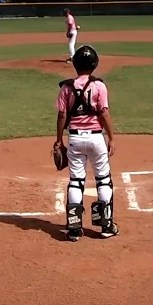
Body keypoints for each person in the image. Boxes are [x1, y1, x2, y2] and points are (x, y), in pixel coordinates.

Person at [53, 45, 118, 241]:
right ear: (95, 64)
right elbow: (104, 113)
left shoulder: (66, 87)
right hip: (96, 138)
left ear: (75, 64)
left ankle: (74, 228)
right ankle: (105, 226)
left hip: (75, 139)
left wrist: (58, 141)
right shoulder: (99, 86)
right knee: (103, 179)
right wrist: (112, 138)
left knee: (76, 181)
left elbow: (62, 115)